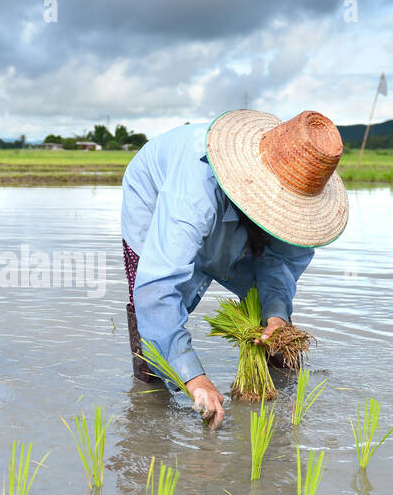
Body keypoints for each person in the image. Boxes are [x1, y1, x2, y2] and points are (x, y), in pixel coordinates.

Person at [120, 108, 348, 428]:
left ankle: (276, 386)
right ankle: (150, 405)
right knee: (154, 330)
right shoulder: (192, 194)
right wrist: (195, 379)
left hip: (225, 210)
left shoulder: (298, 186)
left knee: (271, 324)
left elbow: (280, 262)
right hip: (155, 199)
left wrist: (277, 315)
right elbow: (156, 288)